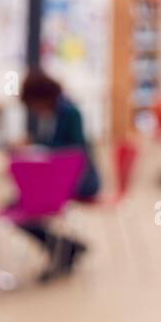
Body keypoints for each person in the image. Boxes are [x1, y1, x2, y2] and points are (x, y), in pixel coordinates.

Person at [14, 69, 101, 282]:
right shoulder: (50, 115)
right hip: (57, 178)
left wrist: (41, 148)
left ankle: (65, 251)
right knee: (17, 206)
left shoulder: (70, 112)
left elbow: (74, 151)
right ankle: (68, 249)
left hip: (80, 180)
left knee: (25, 207)